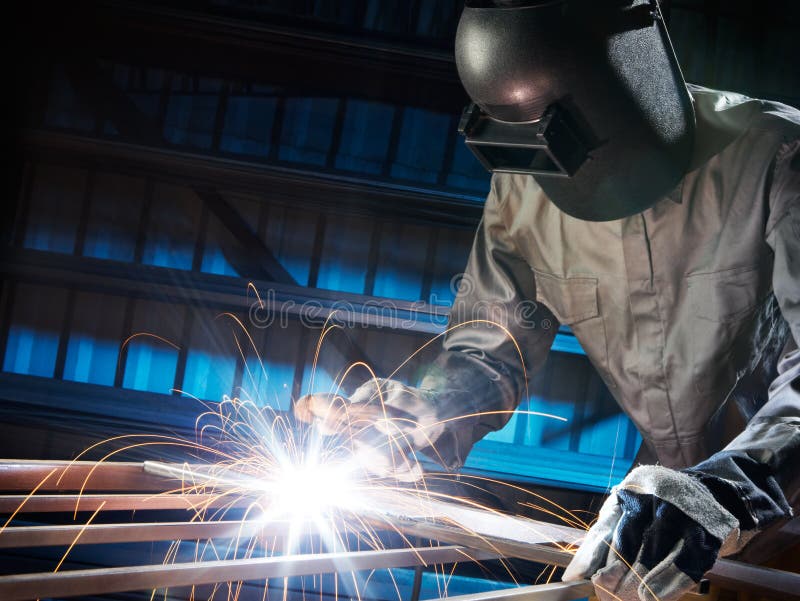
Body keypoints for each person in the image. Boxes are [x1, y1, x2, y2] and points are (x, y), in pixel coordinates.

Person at [296, 1, 800, 599]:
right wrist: (421, 410)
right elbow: (491, 348)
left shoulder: (778, 156)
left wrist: (723, 489)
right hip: (663, 510)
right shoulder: (520, 187)